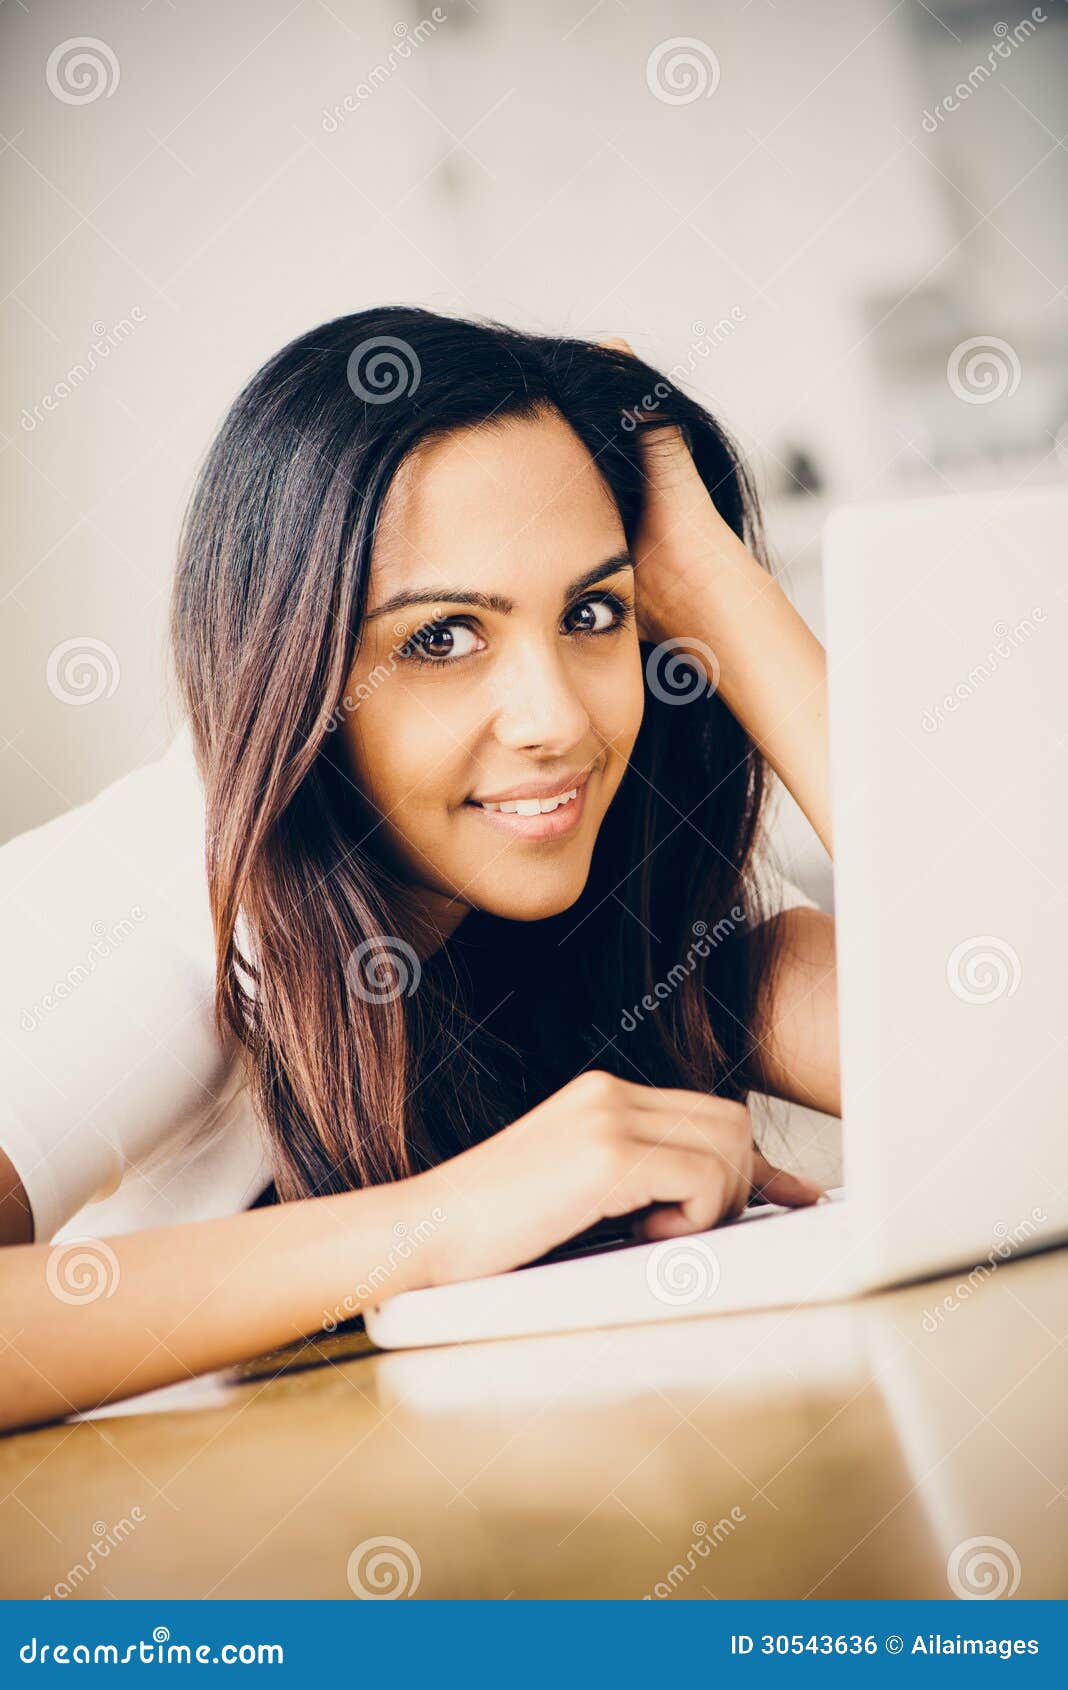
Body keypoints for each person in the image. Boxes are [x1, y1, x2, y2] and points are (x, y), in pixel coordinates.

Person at [0, 309, 838, 1432]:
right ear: (291, 663)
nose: (557, 720)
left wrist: (710, 580)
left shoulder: (615, 876)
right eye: (442, 637)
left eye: (595, 613)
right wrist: (444, 1219)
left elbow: (1014, 1037)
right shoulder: (167, 901)